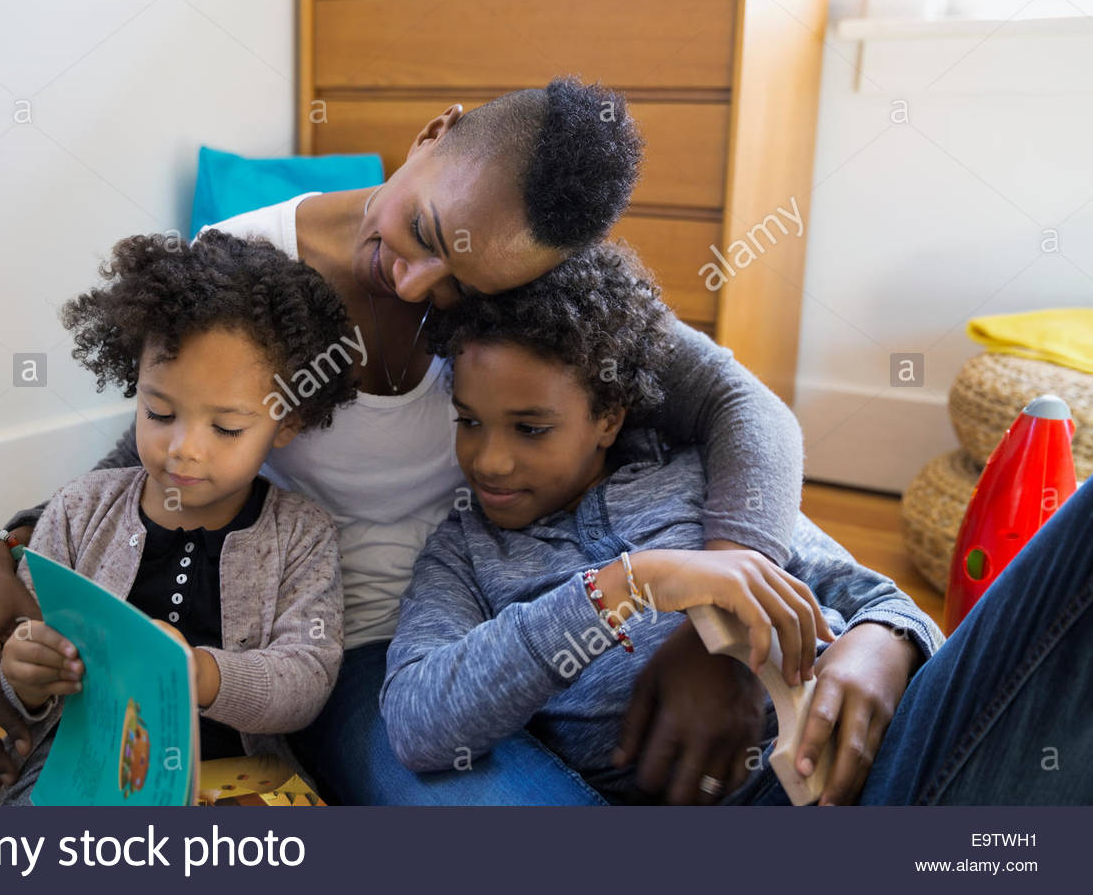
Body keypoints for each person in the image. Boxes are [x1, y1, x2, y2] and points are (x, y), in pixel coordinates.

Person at [0, 77, 808, 805]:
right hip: (360, 651)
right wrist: (6, 549)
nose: (415, 283)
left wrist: (722, 631)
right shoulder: (248, 264)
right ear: (435, 135)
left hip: (530, 584)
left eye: (463, 289)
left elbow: (744, 408)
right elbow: (170, 452)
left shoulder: (529, 262)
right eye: (424, 234)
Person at [382, 242, 1091, 805]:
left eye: (531, 429)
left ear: (608, 417)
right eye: (469, 422)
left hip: (904, 754)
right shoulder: (465, 554)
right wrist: (626, 586)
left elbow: (878, 599)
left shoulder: (698, 481)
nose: (490, 461)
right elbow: (418, 722)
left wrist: (885, 646)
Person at [0, 231, 351, 804]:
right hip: (80, 765)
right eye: (159, 411)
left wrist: (199, 674)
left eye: (226, 428)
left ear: (287, 422)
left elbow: (306, 679)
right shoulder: (77, 510)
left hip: (234, 781)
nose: (184, 448)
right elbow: (24, 651)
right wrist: (22, 670)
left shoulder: (300, 535)